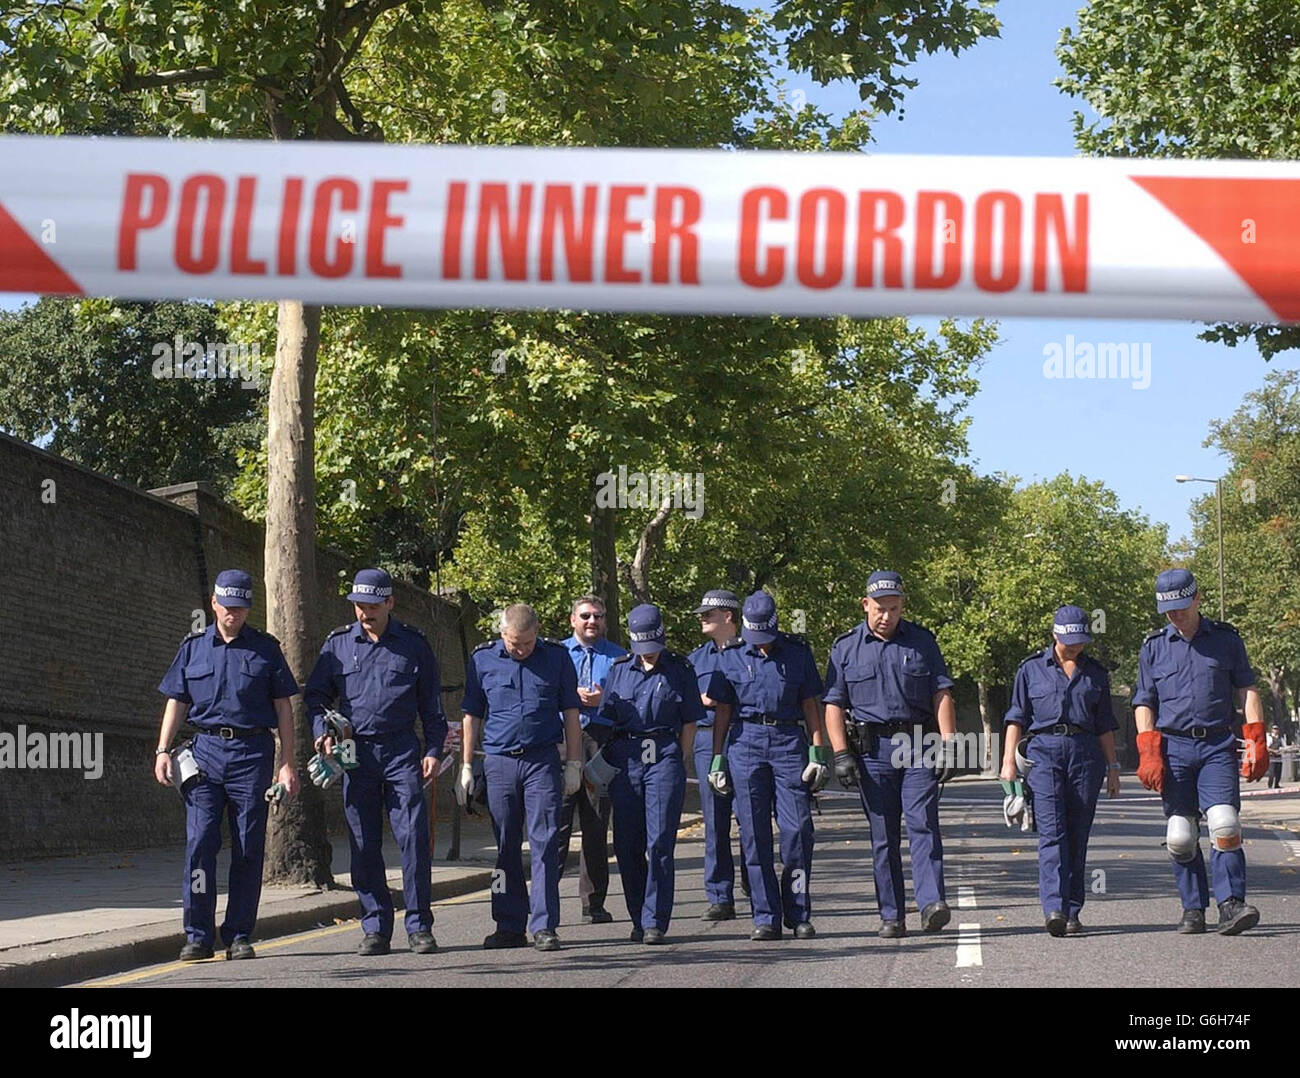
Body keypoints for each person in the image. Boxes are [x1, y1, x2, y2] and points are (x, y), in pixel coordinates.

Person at [154, 569, 299, 961]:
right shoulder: (193, 647)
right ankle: (198, 934)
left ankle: (238, 933)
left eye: (240, 607)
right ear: (213, 604)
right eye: (226, 606)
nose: (233, 614)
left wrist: (288, 763)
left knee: (249, 846)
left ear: (248, 607)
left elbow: (283, 706)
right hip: (204, 752)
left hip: (252, 755)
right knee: (201, 842)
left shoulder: (266, 649)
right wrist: (162, 749)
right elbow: (177, 700)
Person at [305, 568, 446, 956]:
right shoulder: (336, 645)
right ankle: (375, 927)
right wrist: (322, 730)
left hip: (402, 752)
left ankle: (418, 925)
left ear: (389, 603)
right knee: (363, 842)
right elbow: (315, 697)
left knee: (413, 839)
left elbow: (432, 707)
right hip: (356, 754)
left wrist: (433, 751)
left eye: (371, 605)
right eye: (358, 606)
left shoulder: (414, 645)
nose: (364, 612)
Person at [822, 570, 957, 939]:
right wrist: (840, 754)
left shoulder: (922, 642)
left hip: (917, 746)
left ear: (902, 606)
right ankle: (892, 914)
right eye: (880, 608)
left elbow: (941, 693)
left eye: (894, 609)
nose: (887, 616)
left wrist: (949, 744)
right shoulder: (846, 647)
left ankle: (931, 904)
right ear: (866, 604)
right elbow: (833, 703)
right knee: (883, 835)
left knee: (923, 823)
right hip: (872, 751)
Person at [1132, 568, 1266, 935]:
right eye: (1167, 609)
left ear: (1197, 598)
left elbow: (1247, 689)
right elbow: (1144, 701)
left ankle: (1231, 904)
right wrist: (1147, 747)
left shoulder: (1226, 640)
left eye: (1180, 606)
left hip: (1217, 745)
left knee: (1225, 823)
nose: (1174, 614)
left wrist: (1255, 736)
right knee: (1180, 834)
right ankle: (1193, 908)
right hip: (1173, 747)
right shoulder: (1153, 647)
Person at [458, 603, 584, 951]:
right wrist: (466, 766)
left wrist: (574, 763)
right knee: (504, 847)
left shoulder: (556, 658)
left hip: (541, 760)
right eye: (515, 643)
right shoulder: (482, 660)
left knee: (544, 843)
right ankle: (508, 924)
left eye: (527, 643)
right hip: (499, 762)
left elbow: (571, 712)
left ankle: (544, 925)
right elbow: (471, 715)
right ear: (502, 634)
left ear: (537, 633)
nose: (521, 650)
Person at [706, 590, 828, 941]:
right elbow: (723, 712)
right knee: (754, 837)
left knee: (798, 831)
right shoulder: (730, 656)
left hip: (788, 742)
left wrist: (818, 751)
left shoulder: (797, 652)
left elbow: (810, 704)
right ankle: (766, 915)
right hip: (745, 744)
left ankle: (799, 911)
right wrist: (718, 758)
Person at [1000, 605, 1121, 936]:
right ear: (1055, 635)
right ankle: (1053, 907)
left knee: (1078, 834)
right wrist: (1008, 761)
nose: (1075, 647)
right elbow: (1016, 718)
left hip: (1085, 755)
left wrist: (1112, 768)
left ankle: (1072, 910)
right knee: (1052, 832)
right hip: (1044, 754)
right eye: (1070, 640)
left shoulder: (1096, 673)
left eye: (1081, 640)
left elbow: (1105, 725)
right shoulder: (1030, 670)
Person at [596, 604, 703, 943]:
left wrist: (679, 757)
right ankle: (638, 915)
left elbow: (690, 720)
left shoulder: (680, 669)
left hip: (664, 755)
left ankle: (655, 919)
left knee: (659, 843)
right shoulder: (619, 669)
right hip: (626, 756)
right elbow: (606, 717)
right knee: (627, 844)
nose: (648, 654)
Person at [555, 595, 626, 924]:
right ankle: (545, 901)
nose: (591, 621)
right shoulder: (555, 654)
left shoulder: (619, 658)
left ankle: (593, 904)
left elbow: (629, 704)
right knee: (556, 824)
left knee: (596, 825)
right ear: (573, 620)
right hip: (561, 741)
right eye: (585, 616)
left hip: (599, 741)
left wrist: (603, 700)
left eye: (598, 616)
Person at [688, 589, 746, 921]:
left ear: (728, 616)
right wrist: (704, 702)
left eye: (709, 614)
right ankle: (720, 895)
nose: (703, 618)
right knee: (715, 822)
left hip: (743, 737)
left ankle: (755, 882)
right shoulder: (696, 659)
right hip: (707, 739)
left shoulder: (749, 650)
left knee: (749, 819)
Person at [1266, 724, 1285, 789]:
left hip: (1279, 757)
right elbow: (1266, 748)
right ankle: (1270, 785)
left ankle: (1277, 784)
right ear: (1272, 730)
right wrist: (1274, 751)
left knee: (1278, 772)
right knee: (1271, 773)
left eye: (1277, 729)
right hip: (1272, 757)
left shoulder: (1281, 738)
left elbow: (1284, 747)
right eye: (1274, 729)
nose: (1276, 730)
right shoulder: (1270, 738)